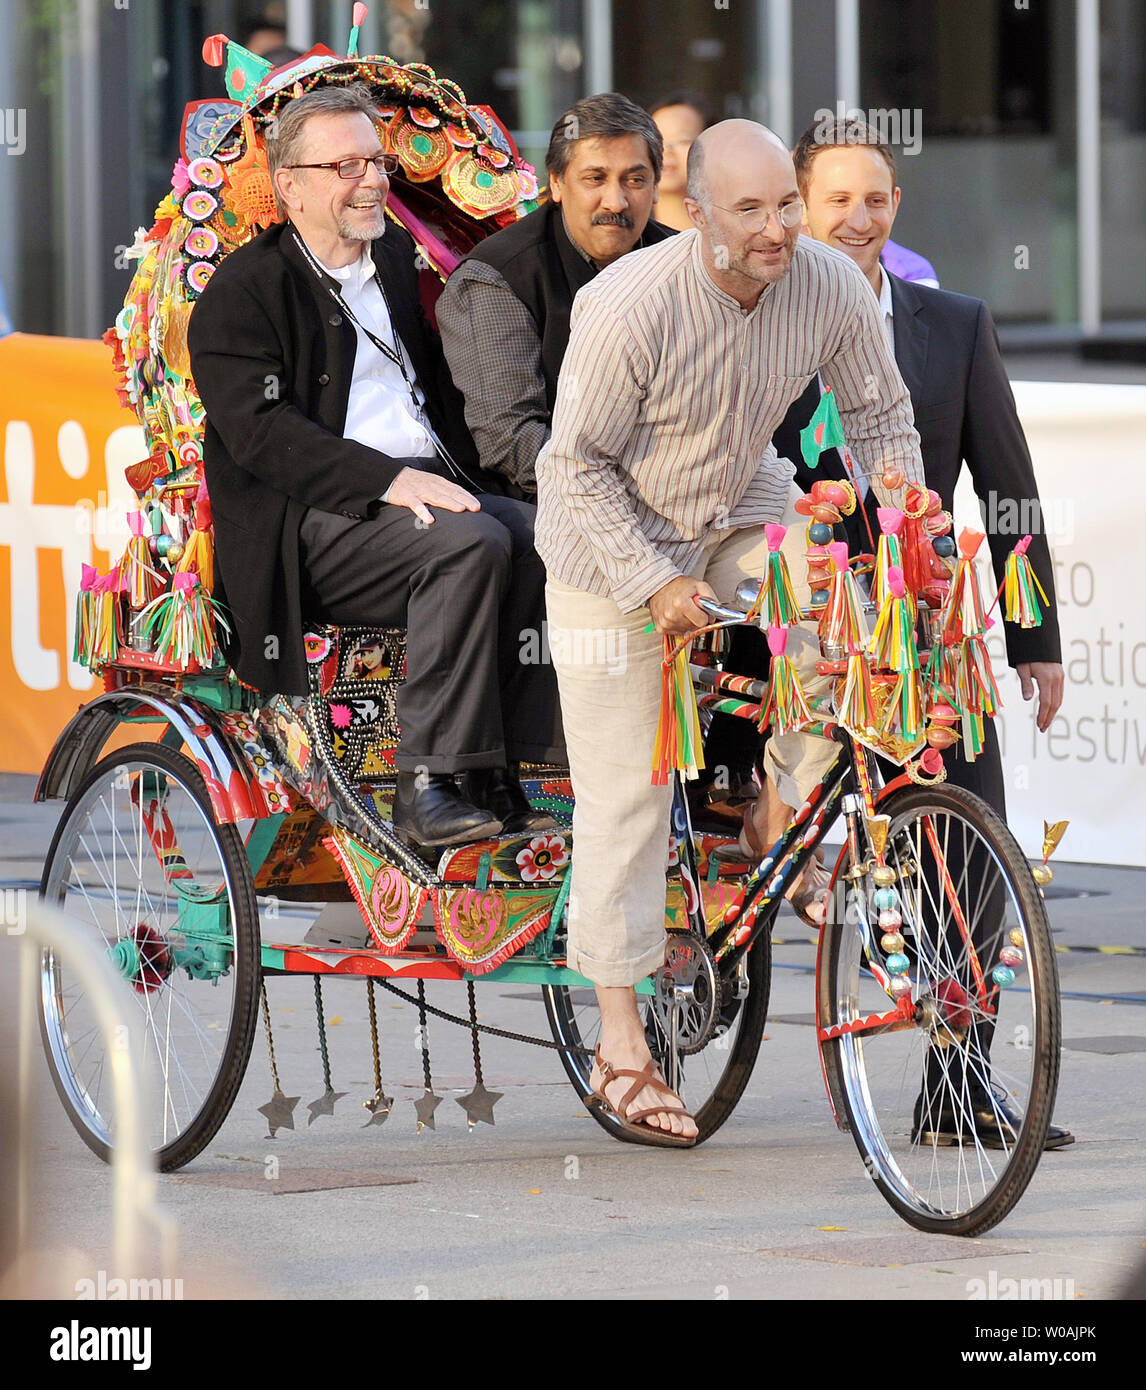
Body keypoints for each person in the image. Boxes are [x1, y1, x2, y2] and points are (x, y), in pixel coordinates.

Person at [534, 120, 925, 1143]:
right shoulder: (628, 304)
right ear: (695, 212)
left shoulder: (830, 283)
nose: (778, 230)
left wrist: (908, 517)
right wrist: (652, 581)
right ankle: (621, 1042)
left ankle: (784, 828)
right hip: (607, 533)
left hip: (736, 499)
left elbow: (882, 420)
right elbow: (569, 472)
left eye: (786, 206)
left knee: (819, 591)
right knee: (628, 785)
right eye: (748, 211)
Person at [782, 115, 1072, 1148]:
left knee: (974, 846)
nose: (859, 219)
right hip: (804, 633)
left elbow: (1009, 492)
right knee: (876, 856)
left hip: (931, 638)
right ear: (800, 212)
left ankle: (958, 1080)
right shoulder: (766, 325)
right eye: (837, 201)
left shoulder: (956, 323)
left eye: (876, 199)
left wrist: (1035, 642)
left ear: (896, 207)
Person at [188, 83, 562, 848]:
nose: (372, 180)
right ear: (289, 185)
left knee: (544, 534)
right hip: (311, 524)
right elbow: (261, 434)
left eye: (377, 160)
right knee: (469, 543)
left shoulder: (392, 254)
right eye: (346, 166)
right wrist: (387, 482)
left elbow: (433, 390)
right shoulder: (241, 294)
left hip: (424, 491)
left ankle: (504, 771)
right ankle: (427, 785)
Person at [436, 93, 675, 498]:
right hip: (549, 505)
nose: (616, 201)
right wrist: (644, 485)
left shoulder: (683, 265)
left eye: (635, 180)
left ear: (655, 188)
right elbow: (512, 442)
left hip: (691, 493)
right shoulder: (498, 278)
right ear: (557, 184)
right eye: (594, 179)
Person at [649, 93, 710, 232]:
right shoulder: (631, 238)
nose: (667, 150)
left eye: (682, 140)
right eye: (658, 141)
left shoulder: (727, 237)